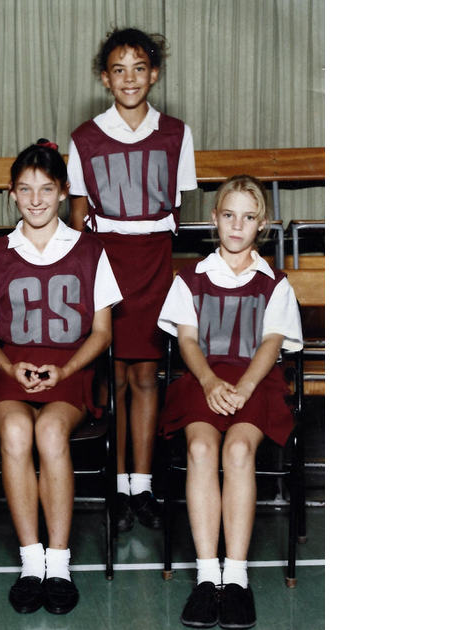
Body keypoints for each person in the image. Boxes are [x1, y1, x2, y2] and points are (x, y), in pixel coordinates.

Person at [0, 140, 120, 615]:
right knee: (15, 430)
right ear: (11, 192)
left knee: (50, 431)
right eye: (25, 189)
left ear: (63, 191)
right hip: (13, 370)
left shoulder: (90, 249)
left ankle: (59, 560)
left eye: (46, 189)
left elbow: (103, 331)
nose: (35, 200)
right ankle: (31, 561)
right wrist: (11, 368)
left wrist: (65, 369)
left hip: (70, 369)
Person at [66, 27, 197, 532]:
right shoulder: (85, 136)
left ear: (154, 74)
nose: (130, 78)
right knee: (113, 375)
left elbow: (177, 206)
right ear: (105, 78)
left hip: (154, 258)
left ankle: (141, 485)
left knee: (146, 375)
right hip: (106, 259)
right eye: (118, 69)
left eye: (139, 68)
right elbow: (78, 212)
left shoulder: (176, 133)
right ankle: (115, 485)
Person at [157, 175, 302, 629]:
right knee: (201, 448)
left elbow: (271, 343)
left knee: (238, 450)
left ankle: (236, 578)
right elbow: (187, 341)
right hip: (203, 380)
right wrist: (209, 381)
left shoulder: (274, 283)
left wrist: (242, 387)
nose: (237, 226)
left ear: (261, 224)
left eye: (248, 217)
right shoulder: (190, 279)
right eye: (228, 215)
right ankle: (206, 578)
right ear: (214, 218)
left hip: (255, 382)